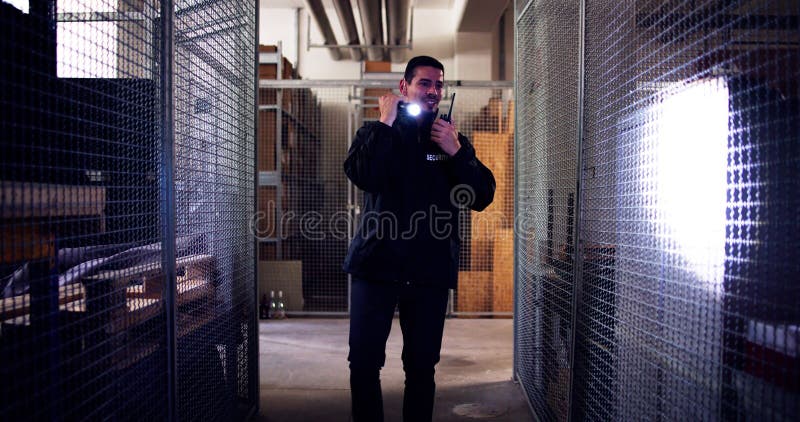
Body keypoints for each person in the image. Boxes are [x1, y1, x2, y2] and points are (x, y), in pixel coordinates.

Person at [343, 55, 496, 422]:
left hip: (428, 271)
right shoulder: (376, 132)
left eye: (438, 84)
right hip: (376, 265)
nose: (432, 91)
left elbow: (483, 195)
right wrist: (384, 123)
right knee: (363, 362)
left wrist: (457, 152)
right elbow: (363, 175)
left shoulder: (450, 140)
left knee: (422, 366)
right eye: (424, 83)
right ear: (404, 87)